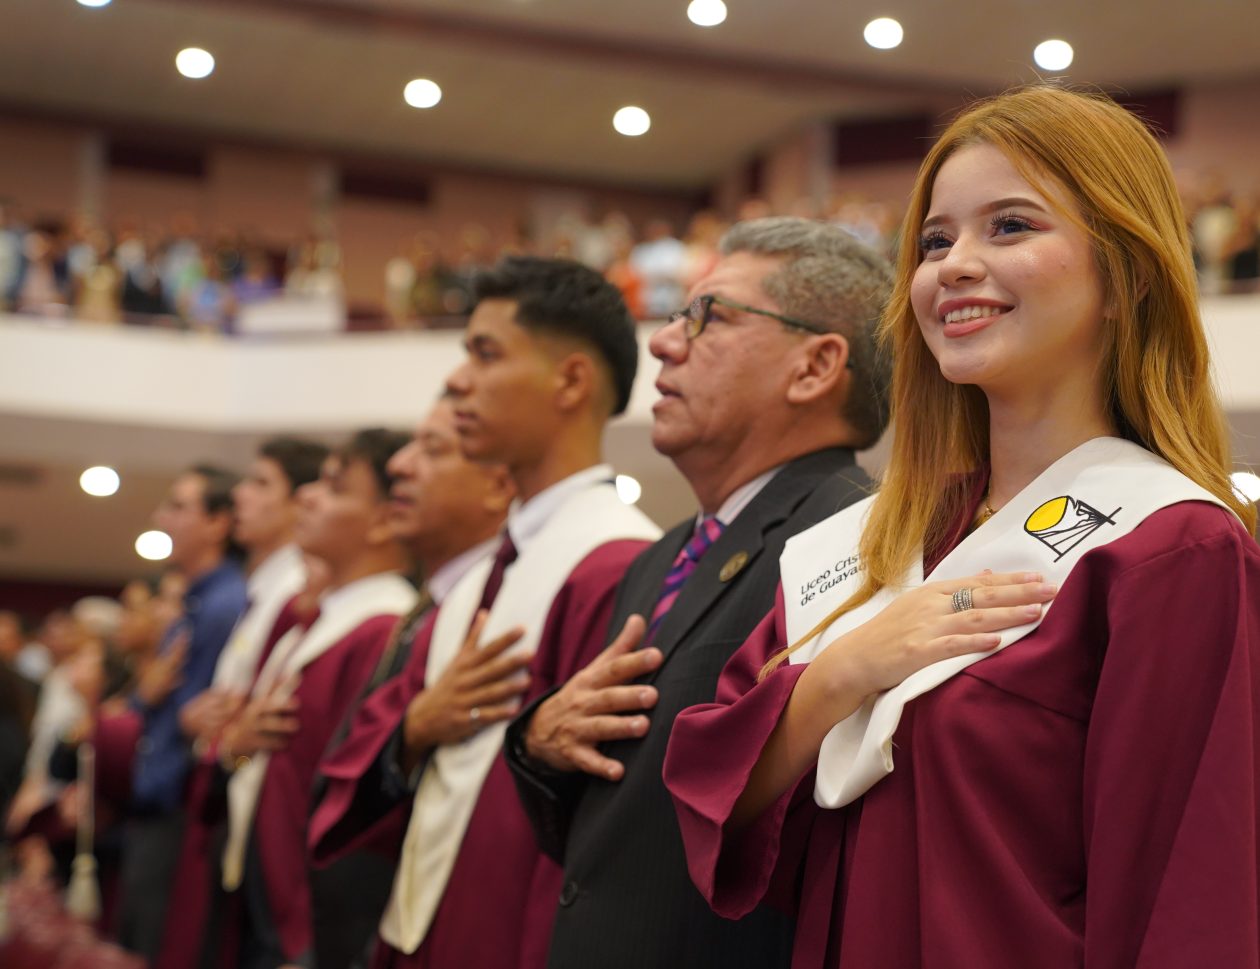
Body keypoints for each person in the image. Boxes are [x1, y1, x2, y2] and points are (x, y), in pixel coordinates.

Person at [663, 86, 1260, 969]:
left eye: (1010, 226)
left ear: (1125, 274)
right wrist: (841, 674)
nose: (955, 265)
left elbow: (1187, 896)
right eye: (936, 240)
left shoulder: (1173, 549)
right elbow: (714, 786)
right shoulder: (877, 545)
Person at [504, 217, 891, 969]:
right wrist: (540, 739)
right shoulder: (660, 558)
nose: (664, 342)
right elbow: (619, 818)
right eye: (680, 313)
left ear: (814, 368)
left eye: (708, 317)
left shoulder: (856, 541)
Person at [310, 256, 661, 969]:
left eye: (485, 353)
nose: (460, 381)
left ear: (570, 380)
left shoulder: (618, 563)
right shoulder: (474, 582)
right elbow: (370, 751)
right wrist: (417, 726)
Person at [309, 395, 514, 969]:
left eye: (433, 448)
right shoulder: (423, 611)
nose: (399, 465)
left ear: (499, 485)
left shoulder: (499, 608)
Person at [114, 465, 248, 962]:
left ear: (217, 523)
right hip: (157, 804)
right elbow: (157, 710)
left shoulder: (224, 605)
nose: (160, 517)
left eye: (177, 506)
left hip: (180, 808)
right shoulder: (195, 605)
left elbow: (201, 721)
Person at [180, 436, 330, 750]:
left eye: (261, 483)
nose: (239, 494)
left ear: (300, 500)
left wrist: (224, 730)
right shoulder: (264, 585)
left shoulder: (297, 589)